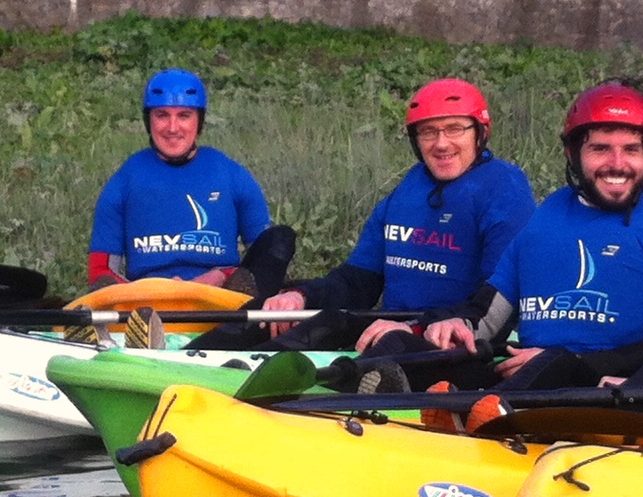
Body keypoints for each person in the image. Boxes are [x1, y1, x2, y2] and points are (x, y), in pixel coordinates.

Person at [349, 82, 643, 391]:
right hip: (521, 374)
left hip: (604, 383)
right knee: (395, 342)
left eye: (631, 150)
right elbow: (488, 312)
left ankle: (464, 416)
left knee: (550, 368)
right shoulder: (551, 211)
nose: (617, 164)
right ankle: (317, 408)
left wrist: (576, 361)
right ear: (573, 153)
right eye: (600, 149)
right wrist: (445, 324)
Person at [190, 77, 535, 354]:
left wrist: (417, 327)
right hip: (390, 324)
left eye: (455, 129)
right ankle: (183, 360)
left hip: (451, 339)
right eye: (428, 132)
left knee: (387, 341)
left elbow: (497, 304)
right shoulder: (408, 191)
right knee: (282, 314)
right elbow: (358, 283)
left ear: (480, 132)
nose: (441, 143)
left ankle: (266, 390)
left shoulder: (504, 190)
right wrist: (302, 296)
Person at [84, 68, 294, 295]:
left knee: (281, 238)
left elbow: (264, 262)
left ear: (199, 121)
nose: (173, 128)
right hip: (147, 304)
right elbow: (101, 273)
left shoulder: (232, 175)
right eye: (162, 115)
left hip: (221, 302)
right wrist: (156, 291)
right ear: (148, 120)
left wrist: (221, 276)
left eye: (184, 115)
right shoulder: (124, 181)